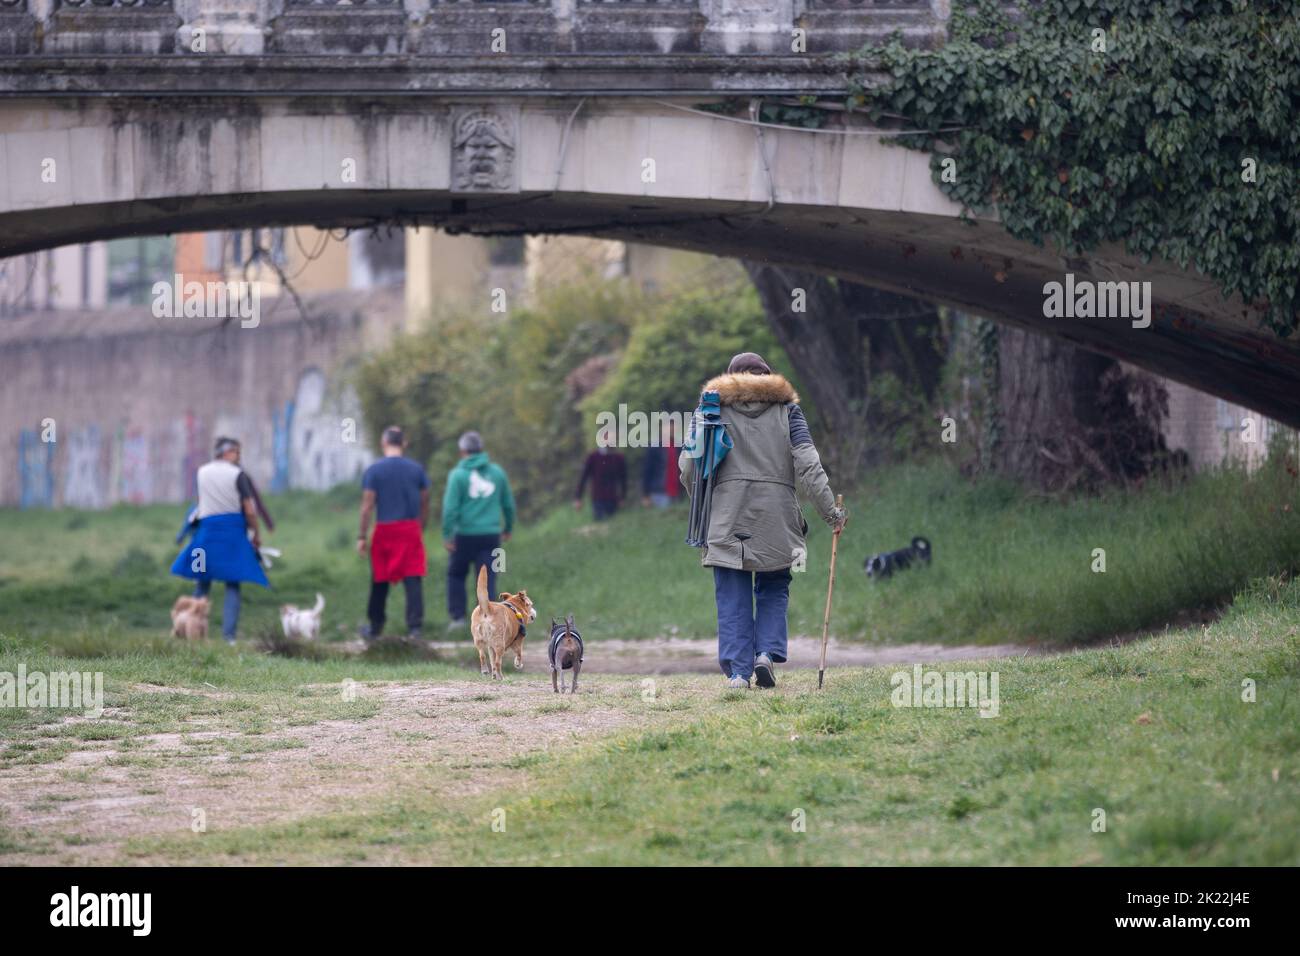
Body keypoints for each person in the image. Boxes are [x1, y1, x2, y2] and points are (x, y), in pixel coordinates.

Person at [680, 352, 847, 691]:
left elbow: (687, 467)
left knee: (732, 592)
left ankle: (739, 674)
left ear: (731, 378)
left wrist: (706, 506)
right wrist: (832, 513)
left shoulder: (709, 409)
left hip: (727, 516)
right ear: (767, 377)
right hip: (778, 516)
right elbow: (809, 466)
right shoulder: (789, 410)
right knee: (774, 585)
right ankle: (766, 655)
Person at [170, 436, 269, 643]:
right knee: (233, 583)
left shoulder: (201, 472)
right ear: (225, 452)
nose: (239, 457)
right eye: (237, 452)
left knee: (201, 581)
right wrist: (256, 533)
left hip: (205, 536)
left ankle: (190, 631)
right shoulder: (239, 475)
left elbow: (200, 503)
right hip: (232, 535)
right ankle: (229, 638)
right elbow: (250, 510)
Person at [357, 426, 430, 641]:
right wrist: (420, 527)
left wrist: (361, 536)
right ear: (404, 444)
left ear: (383, 443)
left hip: (384, 531)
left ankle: (375, 627)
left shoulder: (374, 471)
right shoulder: (417, 470)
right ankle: (415, 629)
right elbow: (425, 501)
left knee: (379, 579)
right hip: (409, 529)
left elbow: (367, 506)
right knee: (413, 578)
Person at [442, 430, 516, 631]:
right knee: (487, 577)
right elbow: (508, 504)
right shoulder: (497, 473)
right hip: (490, 535)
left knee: (456, 575)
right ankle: (488, 620)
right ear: (481, 450)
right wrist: (507, 527)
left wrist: (447, 534)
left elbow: (450, 509)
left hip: (464, 535)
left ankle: (458, 619)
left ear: (462, 451)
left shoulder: (457, 476)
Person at [574, 445, 627, 520]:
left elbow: (623, 479)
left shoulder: (618, 457)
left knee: (612, 522)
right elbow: (583, 477)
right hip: (598, 498)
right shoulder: (593, 456)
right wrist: (578, 498)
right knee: (600, 522)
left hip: (613, 498)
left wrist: (623, 497)